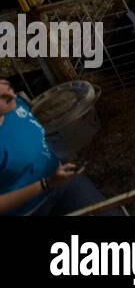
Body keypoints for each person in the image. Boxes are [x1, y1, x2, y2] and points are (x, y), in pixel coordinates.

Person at [0, 78, 117, 216]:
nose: (12, 96)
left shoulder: (17, 105)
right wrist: (45, 184)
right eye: (2, 97)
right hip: (31, 209)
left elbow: (38, 138)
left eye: (10, 89)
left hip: (61, 181)